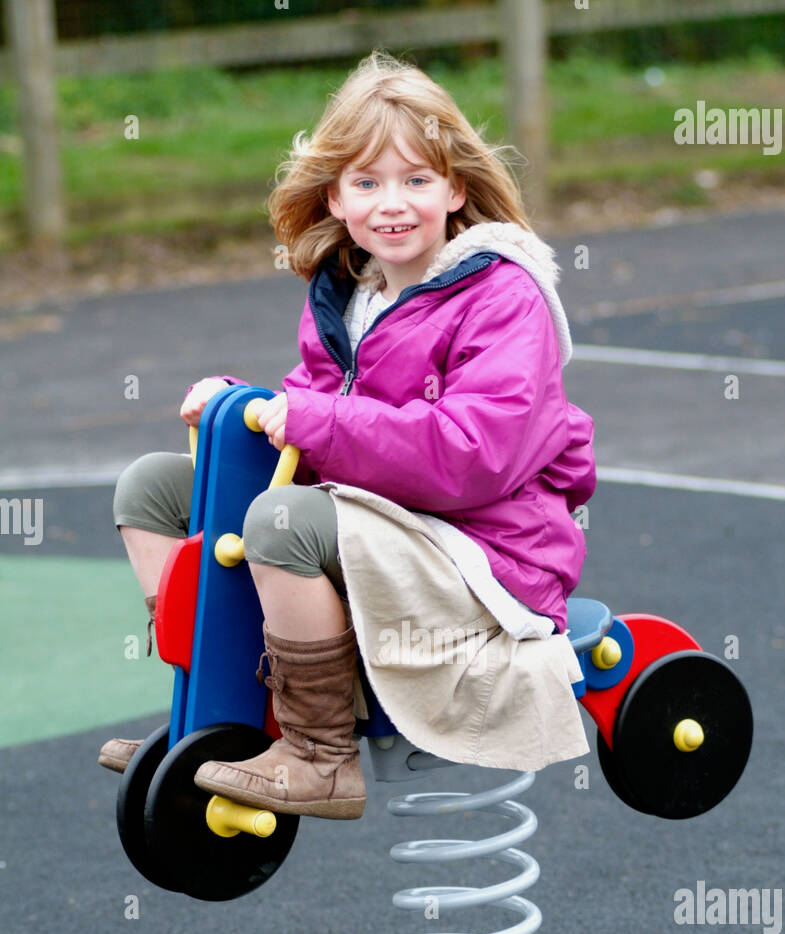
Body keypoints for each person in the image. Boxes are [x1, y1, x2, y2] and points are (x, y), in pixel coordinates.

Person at [99, 48, 596, 818]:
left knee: (281, 521)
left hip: (481, 548)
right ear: (334, 197)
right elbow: (314, 410)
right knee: (158, 489)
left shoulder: (503, 296)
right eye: (366, 183)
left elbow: (472, 456)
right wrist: (242, 408)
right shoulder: (351, 292)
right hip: (388, 522)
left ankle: (319, 753)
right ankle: (217, 708)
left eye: (416, 180)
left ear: (456, 187)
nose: (390, 204)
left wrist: (313, 421)